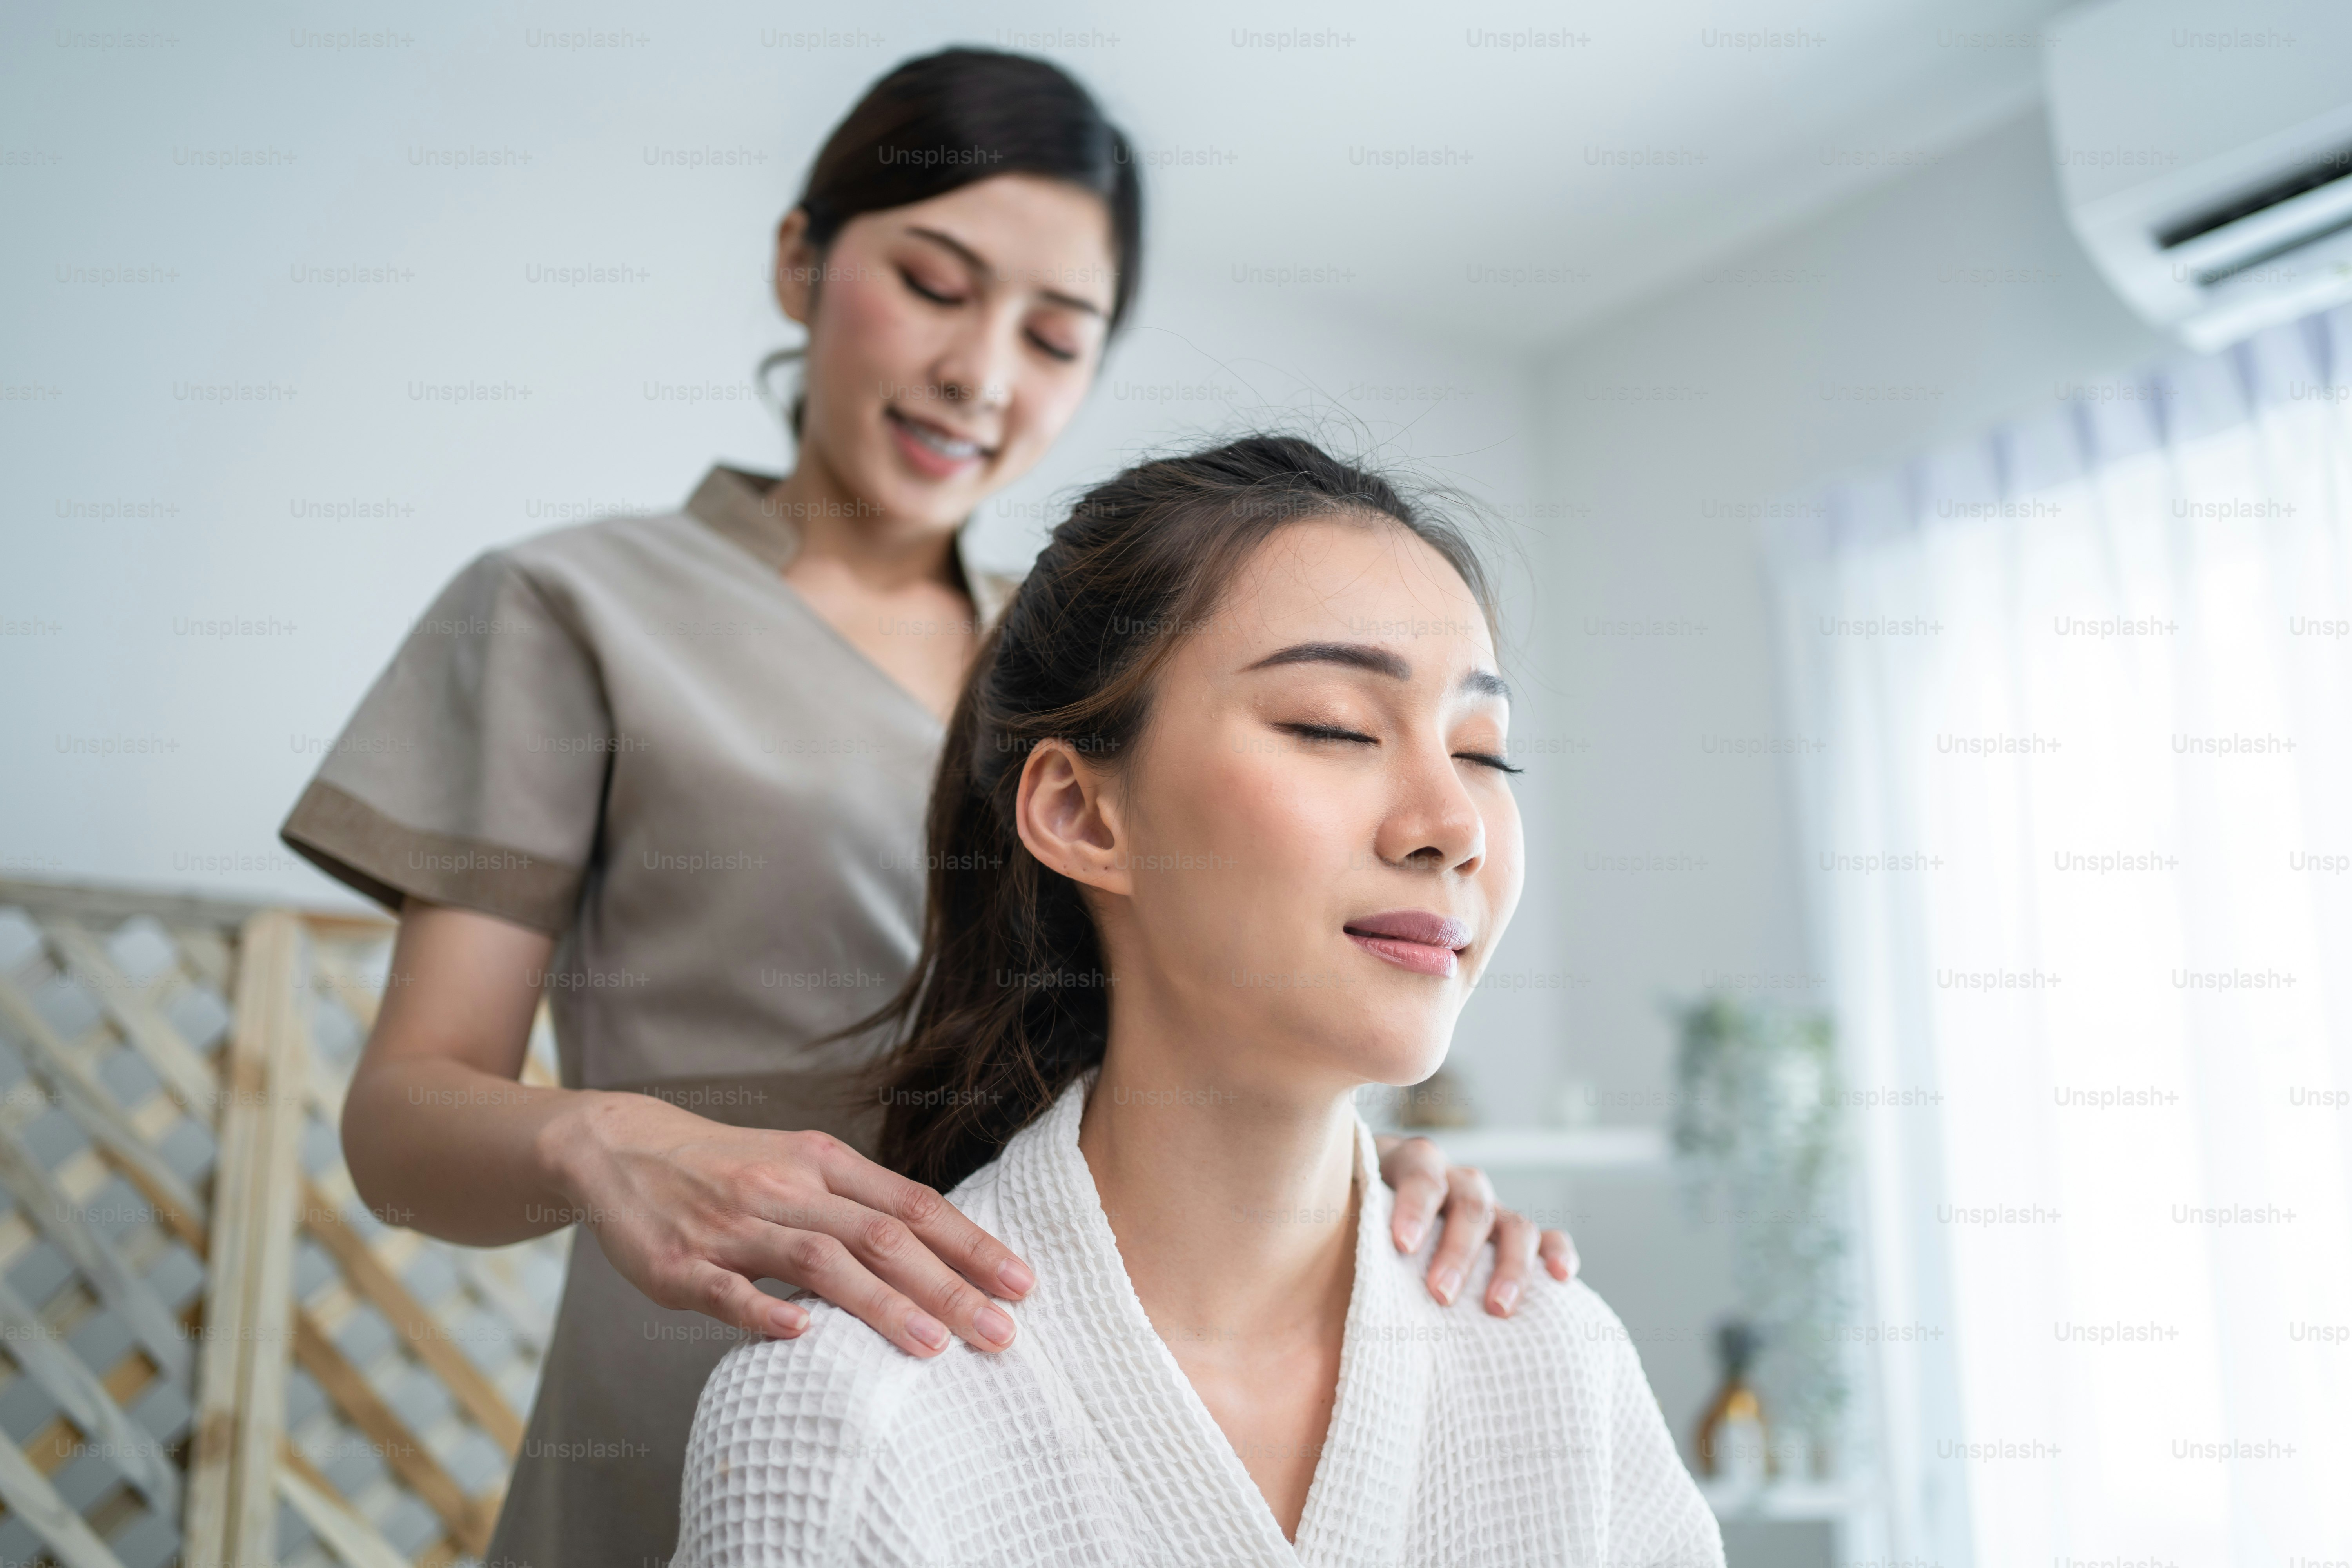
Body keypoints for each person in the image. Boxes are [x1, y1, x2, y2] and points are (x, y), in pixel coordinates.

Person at [282, 50, 1576, 1568]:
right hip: (712, 1398)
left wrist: (1365, 1182)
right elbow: (405, 1120)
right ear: (800, 259)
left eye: (1055, 334)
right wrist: (619, 1142)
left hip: (1058, 1431)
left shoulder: (1117, 674)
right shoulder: (576, 610)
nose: (984, 373)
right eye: (936, 283)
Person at [674, 436, 1724, 1567]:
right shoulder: (842, 1419)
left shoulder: (1555, 1358)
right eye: (1335, 727)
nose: (1454, 826)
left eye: (1482, 752)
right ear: (1083, 815)